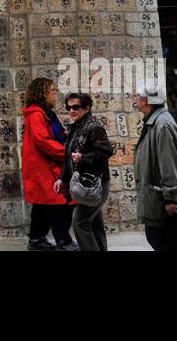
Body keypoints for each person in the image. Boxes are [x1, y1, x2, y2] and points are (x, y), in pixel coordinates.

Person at [132, 77, 177, 250]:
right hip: (156, 202)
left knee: (167, 243)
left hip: (162, 205)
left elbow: (169, 166)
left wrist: (170, 199)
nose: (134, 99)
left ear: (145, 101)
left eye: (136, 96)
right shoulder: (154, 122)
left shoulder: (162, 125)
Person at [22, 77, 76, 250]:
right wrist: (65, 153)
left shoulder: (45, 113)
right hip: (44, 166)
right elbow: (43, 141)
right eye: (52, 90)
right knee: (59, 202)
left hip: (45, 165)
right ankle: (63, 240)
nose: (55, 93)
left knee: (43, 204)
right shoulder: (37, 114)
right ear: (42, 92)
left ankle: (37, 239)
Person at [56, 92, 113, 251]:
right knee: (94, 224)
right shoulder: (76, 126)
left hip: (96, 184)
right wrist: (62, 178)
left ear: (87, 108)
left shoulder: (94, 127)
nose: (71, 111)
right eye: (69, 107)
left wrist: (83, 157)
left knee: (80, 223)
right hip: (85, 183)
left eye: (76, 107)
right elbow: (69, 157)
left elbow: (106, 151)